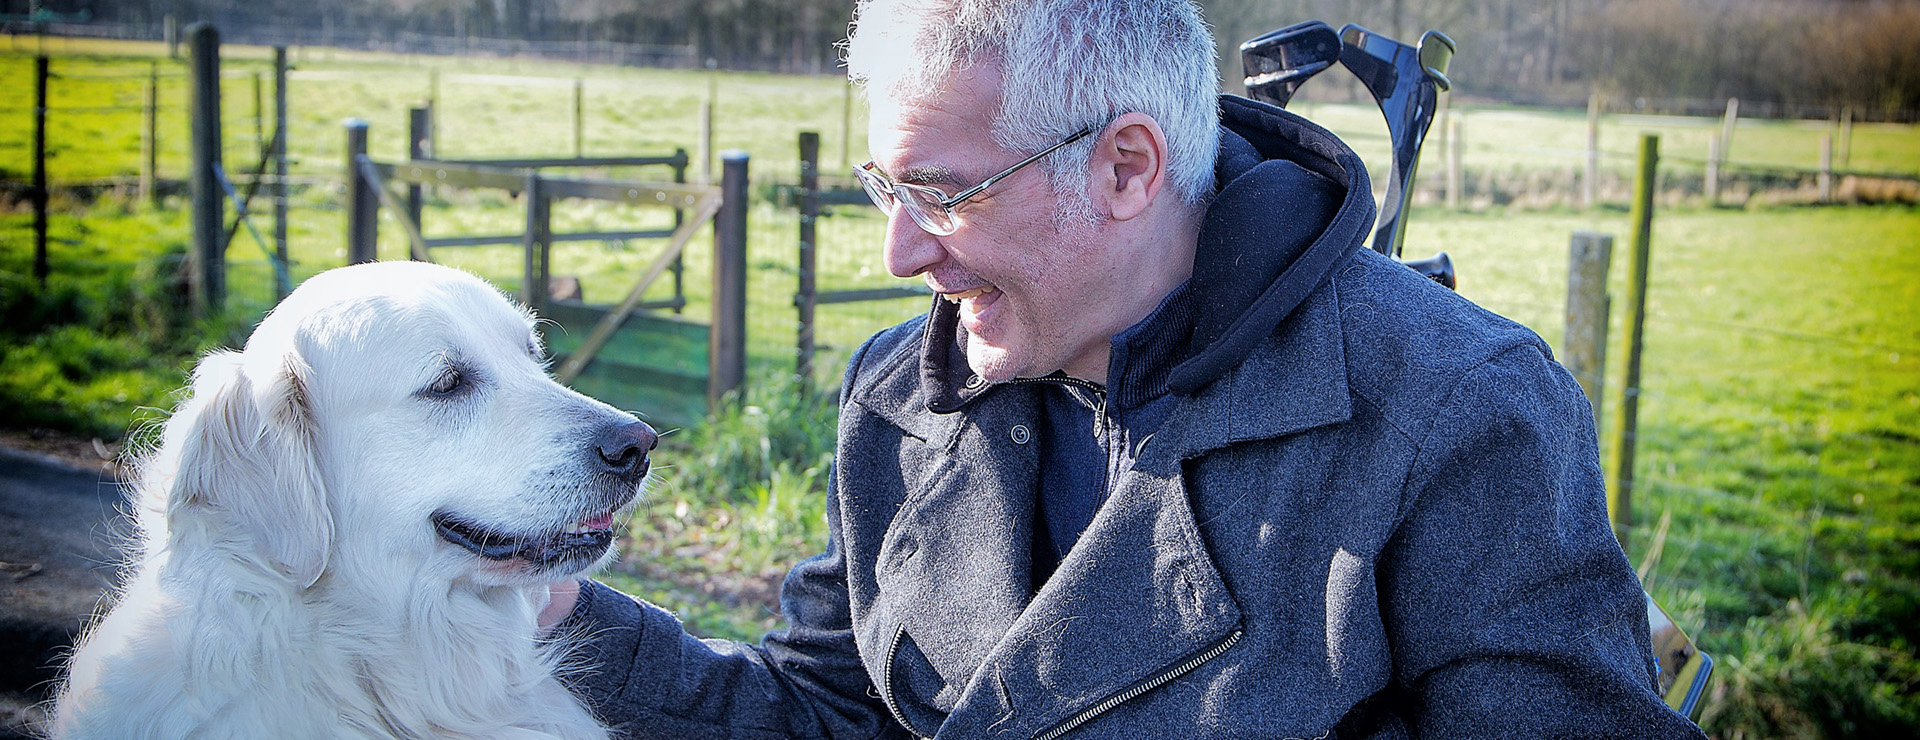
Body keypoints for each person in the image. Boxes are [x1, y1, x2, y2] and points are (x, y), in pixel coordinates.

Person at [543, 1, 1711, 737]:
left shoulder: (1452, 407)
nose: (898, 249)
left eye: (942, 192)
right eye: (885, 187)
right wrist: (554, 615)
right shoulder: (899, 399)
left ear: (1127, 167)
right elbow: (821, 710)